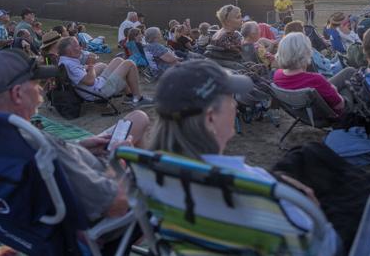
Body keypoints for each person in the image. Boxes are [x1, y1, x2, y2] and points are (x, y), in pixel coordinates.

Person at [149, 60, 339, 254]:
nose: (235, 105)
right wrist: (312, 210)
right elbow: (322, 247)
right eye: (231, 98)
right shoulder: (255, 187)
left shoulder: (149, 176)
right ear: (210, 118)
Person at [0, 50, 150, 226]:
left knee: (137, 119)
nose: (41, 90)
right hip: (93, 226)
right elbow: (116, 206)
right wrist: (117, 161)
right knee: (139, 119)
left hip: (29, 224)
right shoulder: (43, 148)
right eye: (37, 83)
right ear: (17, 94)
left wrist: (79, 146)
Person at [273, 32, 354, 116]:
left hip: (304, 112)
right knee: (347, 85)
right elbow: (340, 106)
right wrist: (335, 91)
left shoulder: (277, 75)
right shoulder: (315, 79)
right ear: (305, 53)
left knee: (349, 71)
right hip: (327, 114)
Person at [58, 36, 153, 107]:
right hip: (99, 92)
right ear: (70, 51)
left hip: (98, 86)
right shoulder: (70, 65)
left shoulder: (65, 60)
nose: (80, 48)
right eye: (77, 46)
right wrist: (90, 65)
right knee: (130, 63)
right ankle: (138, 98)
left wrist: (86, 67)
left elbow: (80, 75)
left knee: (118, 60)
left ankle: (129, 95)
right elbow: (90, 82)